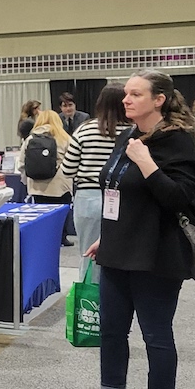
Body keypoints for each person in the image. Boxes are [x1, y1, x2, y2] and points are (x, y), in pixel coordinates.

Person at [70, 71, 195, 389]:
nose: (126, 100)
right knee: (111, 331)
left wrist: (146, 162)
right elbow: (115, 191)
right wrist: (107, 238)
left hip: (157, 255)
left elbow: (182, 201)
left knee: (156, 335)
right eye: (126, 94)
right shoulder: (129, 135)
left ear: (158, 99)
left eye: (135, 94)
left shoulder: (178, 143)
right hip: (117, 251)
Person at [62, 83, 131, 266]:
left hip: (88, 197)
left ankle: (89, 295)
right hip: (126, 197)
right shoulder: (134, 131)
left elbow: (67, 169)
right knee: (124, 254)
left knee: (88, 256)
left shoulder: (85, 130)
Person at [20, 110, 75, 243]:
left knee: (42, 213)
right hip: (60, 185)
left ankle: (44, 236)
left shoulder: (30, 139)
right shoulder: (65, 138)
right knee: (61, 213)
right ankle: (61, 237)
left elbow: (21, 163)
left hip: (37, 185)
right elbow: (73, 161)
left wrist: (27, 181)